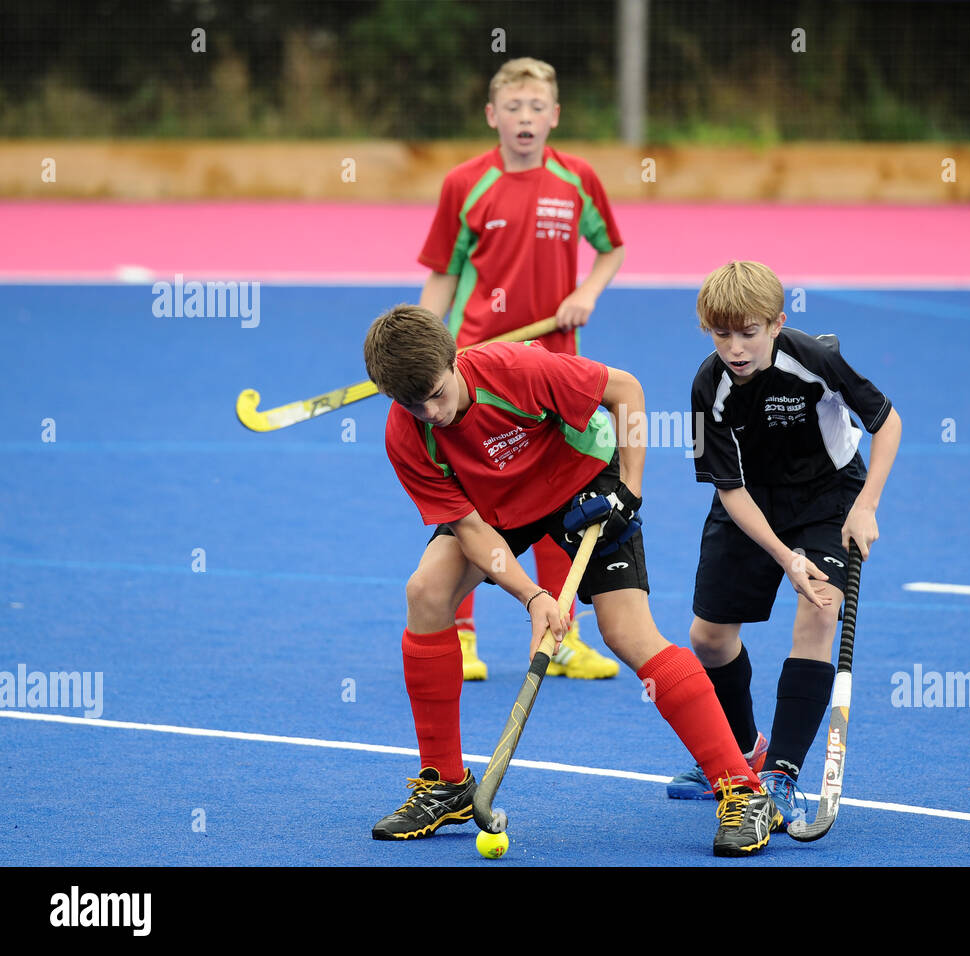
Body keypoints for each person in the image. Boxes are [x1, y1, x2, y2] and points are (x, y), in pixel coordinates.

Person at [363, 304, 779, 857]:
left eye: (437, 394)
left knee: (627, 633)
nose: (430, 413)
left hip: (585, 484)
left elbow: (626, 390)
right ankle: (446, 783)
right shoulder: (407, 432)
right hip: (495, 510)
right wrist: (532, 596)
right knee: (425, 593)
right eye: (412, 404)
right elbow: (467, 526)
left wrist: (630, 487)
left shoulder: (514, 370)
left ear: (453, 361)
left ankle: (743, 790)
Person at [666, 261, 901, 831]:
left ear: (777, 324)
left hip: (829, 495)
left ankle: (782, 777)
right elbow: (728, 487)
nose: (736, 347)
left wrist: (865, 505)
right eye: (723, 334)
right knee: (709, 638)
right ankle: (746, 751)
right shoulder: (706, 385)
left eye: (749, 332)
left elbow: (887, 421)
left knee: (819, 608)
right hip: (750, 502)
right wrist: (784, 556)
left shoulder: (812, 359)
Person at [417, 56, 625, 681]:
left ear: (555, 116)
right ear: (492, 116)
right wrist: (424, 352)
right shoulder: (465, 184)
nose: (526, 119)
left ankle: (562, 636)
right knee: (479, 502)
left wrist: (588, 291)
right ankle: (459, 635)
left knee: (564, 490)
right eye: (514, 108)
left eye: (538, 108)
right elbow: (443, 275)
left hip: (555, 367)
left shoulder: (577, 179)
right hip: (480, 369)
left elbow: (611, 248)